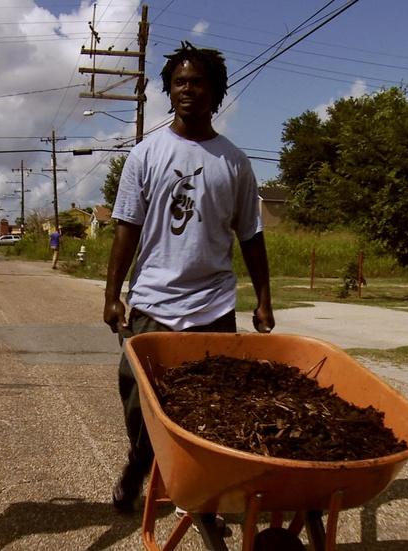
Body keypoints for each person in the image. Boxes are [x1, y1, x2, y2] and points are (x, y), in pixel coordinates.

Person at [102, 41, 275, 513]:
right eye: (179, 82)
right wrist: (112, 294)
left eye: (198, 82)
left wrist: (263, 299)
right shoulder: (145, 155)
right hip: (153, 303)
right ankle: (140, 461)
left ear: (215, 91)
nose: (187, 90)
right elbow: (126, 229)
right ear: (168, 89)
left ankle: (194, 490)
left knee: (211, 405)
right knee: (139, 401)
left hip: (213, 306)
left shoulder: (235, 162)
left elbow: (251, 237)